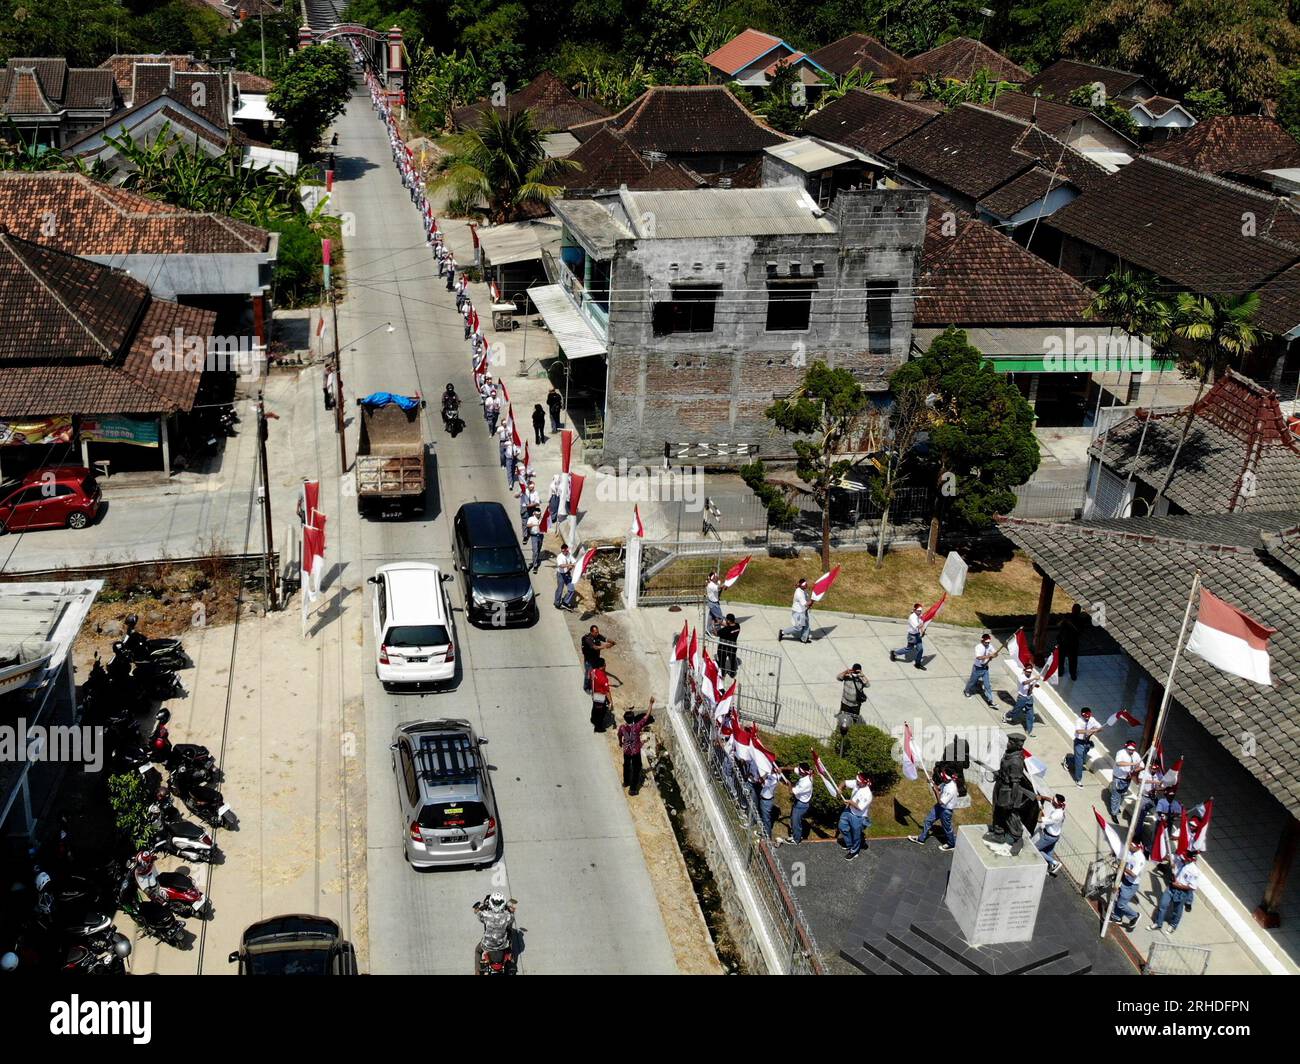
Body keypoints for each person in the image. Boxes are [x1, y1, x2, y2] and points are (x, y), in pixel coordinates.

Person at [1150, 851, 1201, 935]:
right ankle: (1158, 923)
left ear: (1191, 860)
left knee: (1177, 910)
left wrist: (1178, 886)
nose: (1182, 859)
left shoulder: (1194, 871)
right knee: (1162, 905)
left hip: (1181, 892)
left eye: (1185, 858)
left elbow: (1191, 887)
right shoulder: (1179, 859)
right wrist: (1167, 859)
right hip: (1170, 887)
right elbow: (1167, 857)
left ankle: (1173, 925)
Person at [909, 769, 959, 851]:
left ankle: (951, 844)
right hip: (939, 807)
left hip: (946, 810)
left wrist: (935, 791)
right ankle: (921, 839)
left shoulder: (951, 789)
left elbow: (941, 802)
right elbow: (938, 788)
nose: (942, 778)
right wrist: (932, 782)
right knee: (928, 820)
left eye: (943, 777)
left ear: (947, 778)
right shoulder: (946, 782)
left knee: (947, 828)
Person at [472, 893, 517, 972]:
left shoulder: (486, 915)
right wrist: (512, 910)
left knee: (478, 951)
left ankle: (477, 971)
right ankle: (511, 961)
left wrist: (477, 909)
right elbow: (512, 918)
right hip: (502, 945)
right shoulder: (507, 916)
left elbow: (478, 914)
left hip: (487, 945)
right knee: (510, 944)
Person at [618, 701, 656, 795]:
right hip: (635, 751)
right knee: (636, 768)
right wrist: (651, 704)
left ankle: (626, 782)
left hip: (626, 750)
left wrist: (620, 743)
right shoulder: (637, 727)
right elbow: (646, 716)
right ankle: (633, 789)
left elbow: (619, 735)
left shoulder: (622, 727)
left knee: (626, 766)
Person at [1111, 838, 1146, 930]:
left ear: (1135, 846)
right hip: (1125, 879)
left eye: (1130, 845)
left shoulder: (1140, 859)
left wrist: (1121, 867)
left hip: (1131, 885)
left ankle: (1135, 916)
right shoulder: (1131, 852)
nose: (1128, 846)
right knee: (1118, 898)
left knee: (1121, 904)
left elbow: (1133, 874)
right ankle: (1117, 917)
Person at [837, 773, 873, 861]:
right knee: (842, 827)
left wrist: (849, 802)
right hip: (848, 811)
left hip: (858, 817)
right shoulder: (857, 783)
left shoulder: (867, 794)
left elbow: (860, 807)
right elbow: (844, 782)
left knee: (856, 836)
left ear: (864, 783)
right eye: (857, 780)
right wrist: (840, 788)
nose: (856, 782)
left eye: (858, 781)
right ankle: (849, 844)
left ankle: (854, 852)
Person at [1065, 708, 1102, 787]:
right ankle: (1078, 780)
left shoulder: (1092, 719)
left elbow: (1100, 728)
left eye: (1088, 716)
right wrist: (1088, 731)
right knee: (1079, 763)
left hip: (1087, 742)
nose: (1087, 718)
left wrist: (1095, 729)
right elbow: (1078, 731)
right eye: (1086, 716)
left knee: (1083, 761)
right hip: (1079, 742)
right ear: (1082, 715)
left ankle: (1068, 760)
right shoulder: (1079, 721)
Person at [1110, 740, 1143, 819]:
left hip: (1127, 778)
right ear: (1126, 747)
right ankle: (1114, 813)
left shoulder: (1136, 755)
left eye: (1133, 749)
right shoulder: (1120, 753)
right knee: (1116, 795)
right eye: (1130, 749)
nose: (1131, 751)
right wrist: (1133, 764)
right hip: (1118, 778)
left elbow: (1142, 765)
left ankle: (1116, 808)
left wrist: (1133, 771)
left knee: (1122, 794)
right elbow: (1119, 763)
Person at [1034, 793, 1066, 876]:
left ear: (1056, 803)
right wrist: (1041, 797)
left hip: (1048, 837)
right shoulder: (1061, 807)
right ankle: (1050, 868)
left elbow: (1039, 820)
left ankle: (1055, 863)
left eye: (1053, 800)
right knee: (1049, 852)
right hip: (1055, 836)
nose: (1052, 800)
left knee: (1037, 849)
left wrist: (1041, 809)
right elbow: (1050, 800)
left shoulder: (1056, 816)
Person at [890, 603, 928, 670]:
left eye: (920, 611)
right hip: (912, 636)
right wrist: (924, 623)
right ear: (915, 610)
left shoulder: (919, 615)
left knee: (920, 649)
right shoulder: (912, 617)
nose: (920, 612)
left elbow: (921, 623)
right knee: (909, 649)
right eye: (918, 611)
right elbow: (918, 626)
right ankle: (894, 653)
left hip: (917, 635)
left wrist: (922, 631)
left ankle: (917, 663)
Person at [963, 633, 997, 706]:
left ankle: (990, 700)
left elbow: (995, 653)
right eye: (986, 642)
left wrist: (995, 655)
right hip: (977, 669)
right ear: (982, 641)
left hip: (985, 669)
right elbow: (978, 657)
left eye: (988, 642)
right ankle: (966, 691)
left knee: (987, 685)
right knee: (972, 682)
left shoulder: (989, 646)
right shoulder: (978, 647)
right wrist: (989, 656)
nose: (987, 643)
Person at [1005, 664, 1039, 736]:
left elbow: (1037, 685)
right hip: (1022, 698)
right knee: (1015, 711)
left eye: (1030, 672)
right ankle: (1006, 715)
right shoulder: (1021, 677)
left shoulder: (1032, 677)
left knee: (1030, 715)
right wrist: (1034, 679)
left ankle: (1029, 731)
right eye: (1027, 671)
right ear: (1024, 671)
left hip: (1029, 698)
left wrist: (1036, 683)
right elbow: (1024, 683)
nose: (1029, 673)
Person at [581, 625, 616, 693]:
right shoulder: (587, 638)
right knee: (588, 674)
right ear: (591, 632)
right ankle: (586, 687)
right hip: (588, 660)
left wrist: (612, 642)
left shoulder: (597, 636)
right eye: (596, 632)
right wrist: (605, 646)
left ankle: (595, 685)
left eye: (598, 632)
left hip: (595, 658)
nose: (597, 633)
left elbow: (605, 639)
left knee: (596, 672)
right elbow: (595, 647)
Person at [1058, 603, 1088, 681]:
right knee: (1061, 657)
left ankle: (1073, 673)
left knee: (1073, 659)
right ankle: (1060, 671)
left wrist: (1069, 623)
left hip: (1073, 642)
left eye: (1076, 610)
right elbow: (1059, 625)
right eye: (1074, 609)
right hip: (1064, 641)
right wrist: (1063, 621)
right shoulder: (1068, 616)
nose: (1074, 611)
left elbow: (1078, 631)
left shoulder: (1080, 620)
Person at [786, 763, 813, 845]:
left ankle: (796, 839)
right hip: (799, 803)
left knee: (796, 822)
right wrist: (782, 768)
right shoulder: (805, 774)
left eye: (799, 769)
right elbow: (793, 769)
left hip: (801, 805)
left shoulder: (806, 783)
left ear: (803, 772)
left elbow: (791, 792)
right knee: (794, 820)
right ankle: (795, 835)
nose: (797, 770)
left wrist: (789, 784)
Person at [777, 579, 811, 644]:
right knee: (798, 628)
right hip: (798, 612)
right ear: (801, 585)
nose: (806, 585)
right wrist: (812, 601)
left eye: (806, 584)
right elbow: (805, 604)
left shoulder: (804, 590)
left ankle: (804, 638)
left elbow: (806, 600)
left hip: (803, 610)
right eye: (804, 584)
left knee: (806, 624)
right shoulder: (799, 593)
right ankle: (782, 632)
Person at [754, 764, 782, 837]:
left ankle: (767, 836)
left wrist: (765, 774)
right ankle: (764, 832)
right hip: (767, 799)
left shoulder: (772, 780)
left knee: (766, 819)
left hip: (766, 801)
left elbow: (760, 781)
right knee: (765, 818)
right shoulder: (777, 776)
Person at [589, 657, 612, 731]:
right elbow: (607, 691)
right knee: (600, 713)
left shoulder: (593, 671)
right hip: (600, 696)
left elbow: (590, 678)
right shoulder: (603, 678)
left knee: (595, 708)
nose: (605, 665)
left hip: (593, 694)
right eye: (604, 664)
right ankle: (598, 727)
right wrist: (611, 702)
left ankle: (593, 719)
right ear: (602, 666)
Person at [554, 543, 577, 610]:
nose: (566, 552)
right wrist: (569, 565)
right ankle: (557, 603)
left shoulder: (569, 554)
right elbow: (561, 565)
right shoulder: (559, 557)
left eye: (567, 551)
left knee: (571, 589)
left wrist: (573, 565)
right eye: (564, 551)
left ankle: (565, 602)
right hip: (561, 575)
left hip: (567, 574)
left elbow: (574, 562)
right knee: (560, 589)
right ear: (562, 550)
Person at [525, 508, 544, 573]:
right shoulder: (531, 519)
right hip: (534, 536)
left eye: (539, 514)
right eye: (537, 514)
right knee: (535, 551)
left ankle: (535, 559)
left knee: (538, 549)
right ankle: (535, 565)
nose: (538, 515)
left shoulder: (542, 519)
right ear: (534, 514)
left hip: (541, 536)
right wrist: (535, 524)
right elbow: (527, 525)